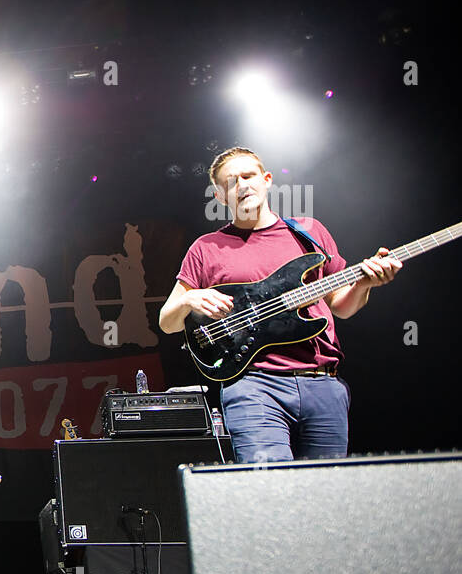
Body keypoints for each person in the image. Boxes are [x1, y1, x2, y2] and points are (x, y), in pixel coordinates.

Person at [158, 146, 399, 463]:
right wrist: (189, 298)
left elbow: (341, 306)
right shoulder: (207, 248)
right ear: (219, 196)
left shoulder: (308, 231)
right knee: (271, 494)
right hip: (254, 387)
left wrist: (365, 284)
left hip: (323, 382)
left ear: (266, 179)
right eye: (231, 182)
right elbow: (167, 321)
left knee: (328, 497)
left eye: (249, 176)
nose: (242, 185)